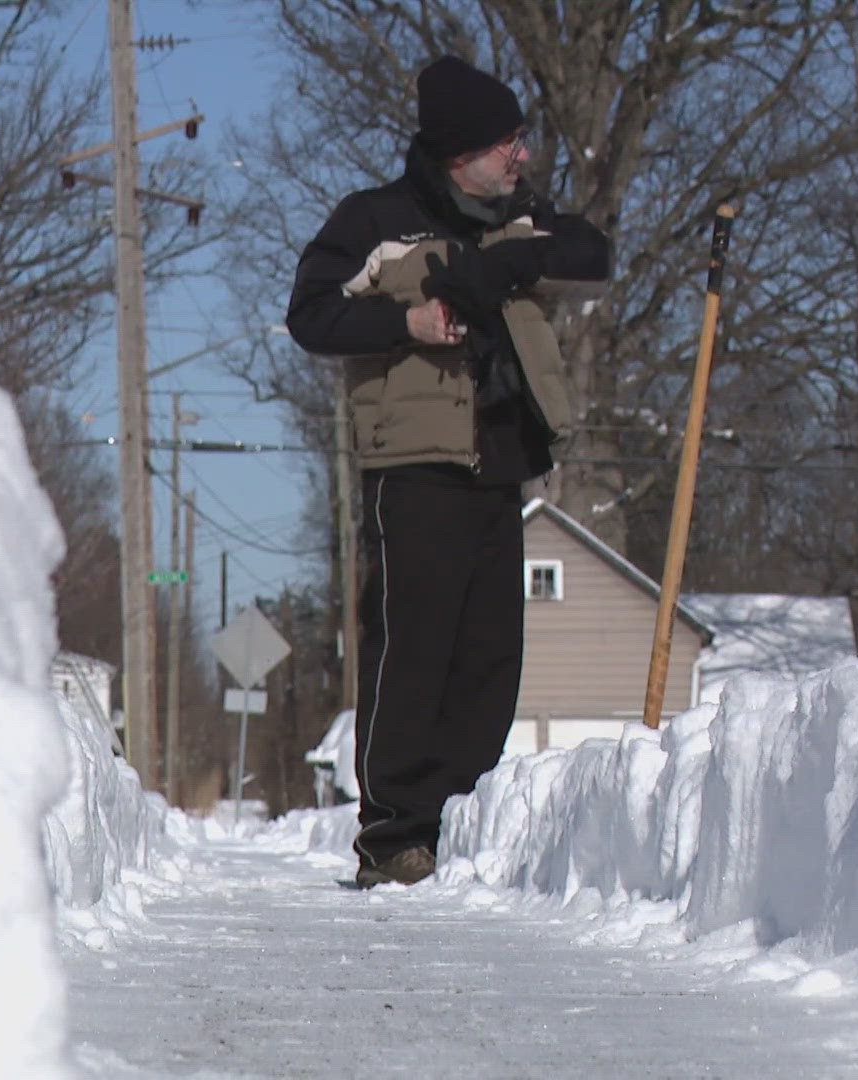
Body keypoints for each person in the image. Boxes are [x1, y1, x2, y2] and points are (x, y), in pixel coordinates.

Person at [285, 55, 610, 889]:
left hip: (500, 460)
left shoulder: (519, 222)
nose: (521, 158)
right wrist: (410, 320)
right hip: (413, 462)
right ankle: (395, 835)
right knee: (413, 647)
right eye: (507, 143)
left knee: (491, 654)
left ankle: (465, 818)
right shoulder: (378, 221)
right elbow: (312, 312)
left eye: (522, 141)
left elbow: (591, 254)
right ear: (460, 150)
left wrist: (503, 267)